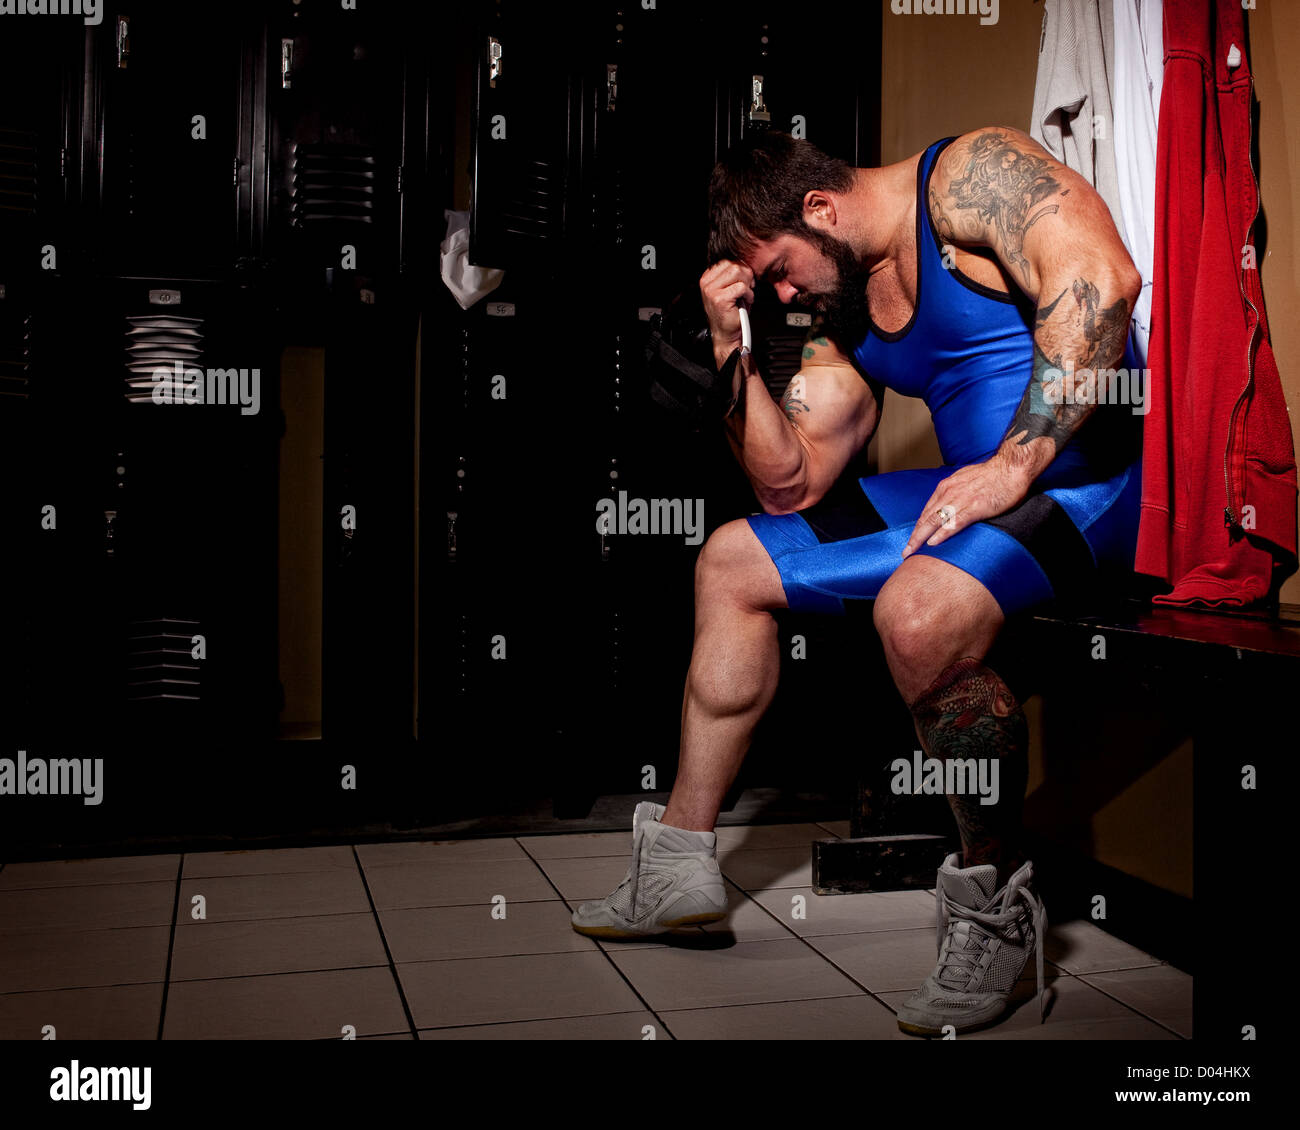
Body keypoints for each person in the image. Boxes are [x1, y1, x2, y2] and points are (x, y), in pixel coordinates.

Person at [571, 127, 1142, 1037]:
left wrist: (1015, 463)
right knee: (729, 559)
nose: (787, 293)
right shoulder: (849, 306)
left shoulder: (965, 176)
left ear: (821, 210)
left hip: (1085, 483)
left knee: (916, 614)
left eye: (784, 270)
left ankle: (995, 909)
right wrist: (733, 353)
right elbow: (788, 481)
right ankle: (675, 869)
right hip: (977, 490)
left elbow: (1104, 278)